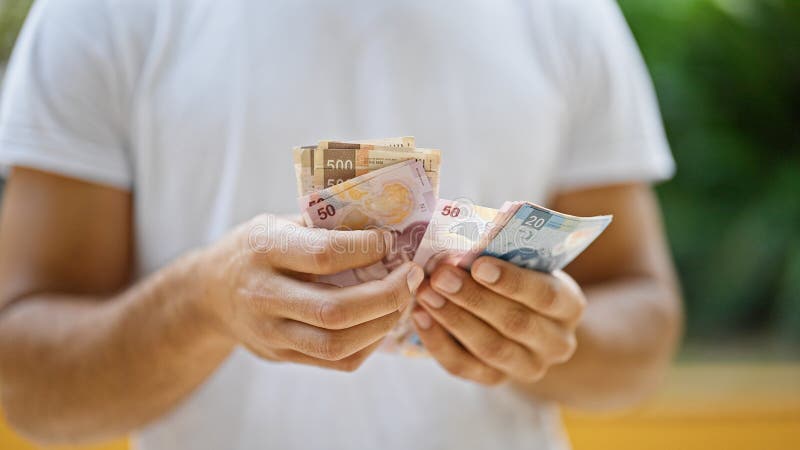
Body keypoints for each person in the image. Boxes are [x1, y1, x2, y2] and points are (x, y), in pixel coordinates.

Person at [0, 0, 682, 449]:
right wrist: (202, 304)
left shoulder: (567, 14)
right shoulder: (100, 14)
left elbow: (645, 330)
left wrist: (542, 334)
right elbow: (24, 385)